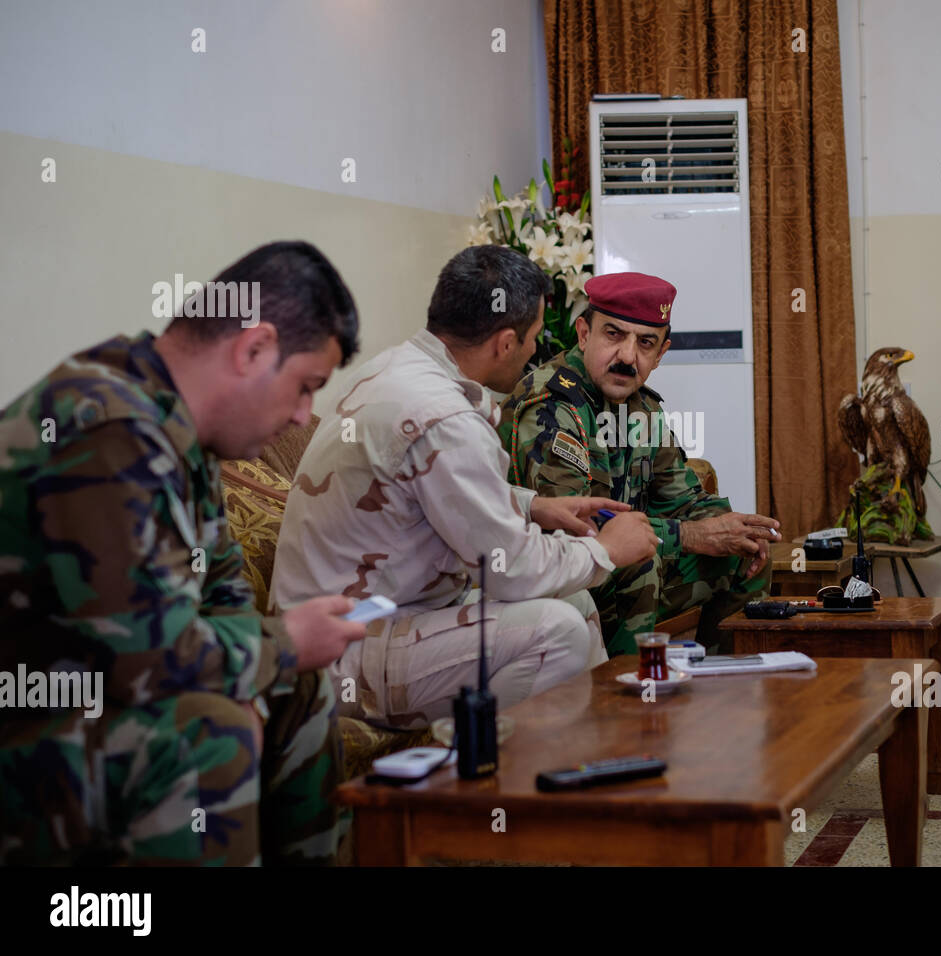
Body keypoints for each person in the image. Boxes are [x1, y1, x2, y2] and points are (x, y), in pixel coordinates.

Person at [0, 241, 368, 865]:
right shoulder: (106, 429)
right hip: (28, 715)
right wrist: (280, 648)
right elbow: (149, 657)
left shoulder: (183, 439)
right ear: (253, 348)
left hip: (91, 693)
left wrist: (265, 670)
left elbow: (222, 597)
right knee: (207, 733)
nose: (307, 416)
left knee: (299, 689)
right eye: (305, 387)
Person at [270, 246, 658, 729]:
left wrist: (532, 505)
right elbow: (511, 569)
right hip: (340, 649)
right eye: (535, 337)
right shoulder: (443, 416)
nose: (538, 350)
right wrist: (606, 551)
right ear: (505, 342)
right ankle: (474, 778)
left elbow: (420, 493)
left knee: (574, 604)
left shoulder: (400, 368)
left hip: (384, 614)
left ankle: (591, 750)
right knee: (556, 631)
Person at [498, 271, 779, 656]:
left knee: (746, 552)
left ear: (661, 354)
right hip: (545, 579)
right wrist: (691, 535)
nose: (628, 357)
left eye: (645, 343)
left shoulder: (641, 407)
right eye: (613, 335)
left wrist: (731, 526)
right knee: (637, 565)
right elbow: (573, 529)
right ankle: (626, 705)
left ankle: (722, 693)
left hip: (611, 575)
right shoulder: (551, 406)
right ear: (584, 334)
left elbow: (681, 499)